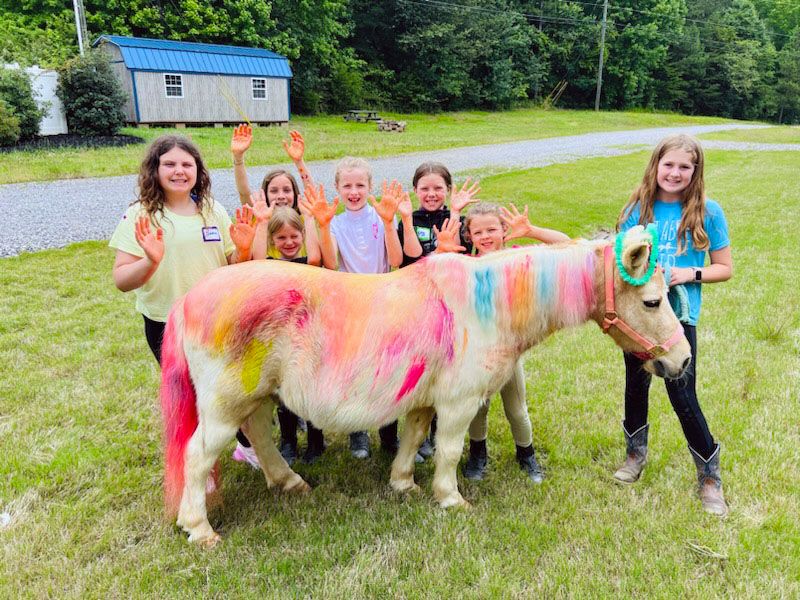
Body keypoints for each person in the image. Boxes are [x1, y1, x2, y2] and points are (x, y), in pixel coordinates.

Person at [109, 134, 257, 466]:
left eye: (187, 164)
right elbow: (121, 280)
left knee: (230, 390)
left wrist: (244, 249)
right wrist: (149, 261)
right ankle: (196, 466)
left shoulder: (212, 211)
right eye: (170, 164)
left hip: (216, 320)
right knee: (186, 397)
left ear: (198, 170)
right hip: (166, 323)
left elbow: (234, 270)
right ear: (155, 169)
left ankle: (248, 447)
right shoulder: (140, 215)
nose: (179, 171)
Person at [614, 134, 732, 516]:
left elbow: (724, 268)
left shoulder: (708, 212)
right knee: (636, 386)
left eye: (685, 166)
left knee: (683, 396)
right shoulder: (638, 209)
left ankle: (709, 476)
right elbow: (619, 262)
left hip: (678, 319)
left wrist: (687, 272)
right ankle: (635, 456)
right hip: (641, 319)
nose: (675, 173)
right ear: (656, 165)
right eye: (669, 165)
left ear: (695, 171)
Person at [445, 202, 569, 483]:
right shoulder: (465, 264)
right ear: (469, 236)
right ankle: (478, 455)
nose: (486, 236)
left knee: (516, 409)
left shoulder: (518, 258)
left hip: (509, 353)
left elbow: (568, 245)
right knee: (477, 408)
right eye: (478, 232)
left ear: (504, 230)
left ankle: (527, 456)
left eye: (492, 229)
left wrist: (531, 230)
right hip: (475, 354)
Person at [327, 157, 421, 458]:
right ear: (337, 188)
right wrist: (321, 223)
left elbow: (395, 260)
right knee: (354, 370)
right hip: (351, 304)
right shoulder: (336, 223)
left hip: (383, 301)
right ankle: (358, 432)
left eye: (360, 185)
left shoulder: (380, 217)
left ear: (369, 187)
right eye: (347, 186)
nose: (353, 192)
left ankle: (388, 433)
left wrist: (389, 222)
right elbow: (330, 263)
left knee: (387, 369)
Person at [397, 162, 481, 460]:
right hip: (416, 306)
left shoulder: (456, 217)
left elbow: (459, 257)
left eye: (438, 188)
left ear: (448, 190)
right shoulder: (410, 217)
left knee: (443, 374)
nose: (431, 194)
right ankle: (411, 438)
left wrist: (456, 213)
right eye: (425, 188)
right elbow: (409, 256)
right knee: (415, 372)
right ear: (415, 190)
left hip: (450, 309)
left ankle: (435, 434)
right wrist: (406, 219)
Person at [249, 193, 336, 465]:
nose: (288, 243)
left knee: (309, 391)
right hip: (280, 340)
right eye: (281, 239)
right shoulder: (270, 266)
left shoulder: (308, 263)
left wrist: (310, 220)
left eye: (294, 237)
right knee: (282, 393)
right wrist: (262, 223)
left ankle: (316, 440)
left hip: (309, 336)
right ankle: (288, 440)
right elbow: (256, 261)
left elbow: (317, 258)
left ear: (301, 235)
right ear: (273, 242)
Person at [230, 124, 325, 263]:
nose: (281, 195)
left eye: (287, 190)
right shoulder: (260, 219)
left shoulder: (303, 219)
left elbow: (312, 194)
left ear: (295, 193)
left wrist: (299, 162)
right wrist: (238, 158)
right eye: (274, 191)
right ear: (266, 195)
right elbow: (244, 192)